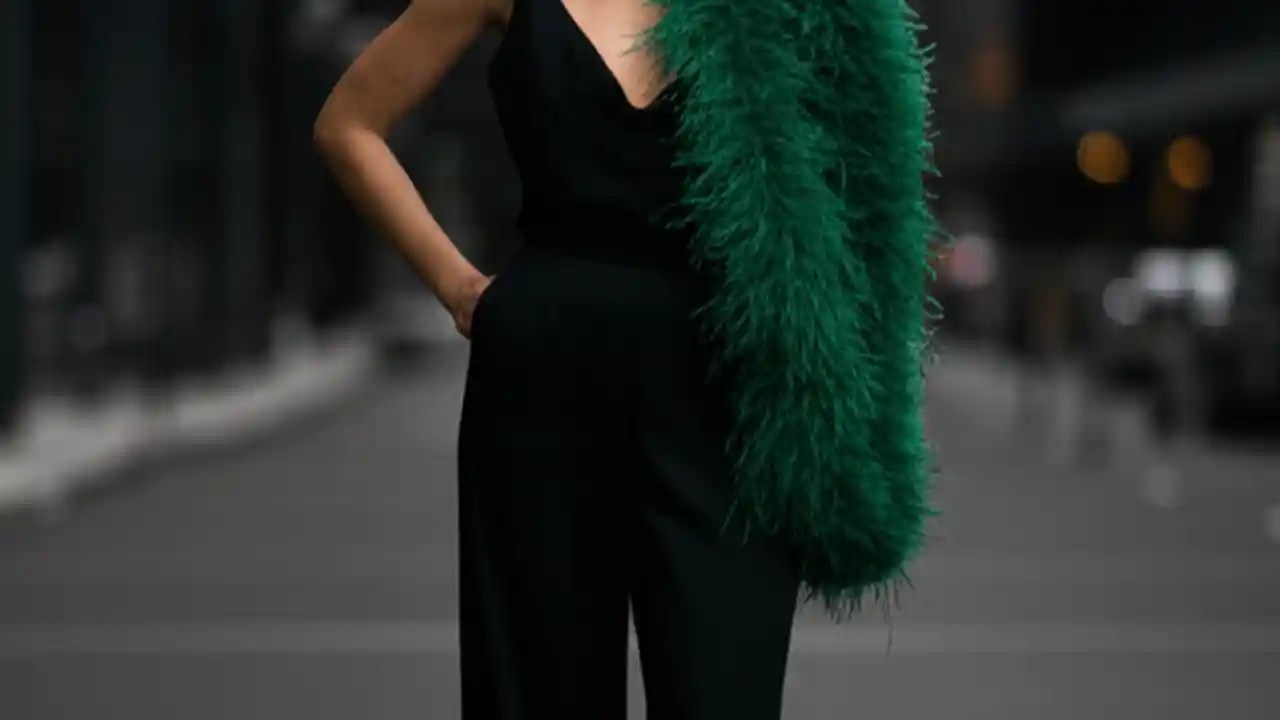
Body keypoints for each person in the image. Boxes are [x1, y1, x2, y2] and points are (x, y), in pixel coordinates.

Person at [315, 1, 939, 718]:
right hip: (541, 384)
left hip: (732, 396)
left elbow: (867, 193)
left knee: (725, 696)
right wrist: (458, 288)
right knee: (536, 695)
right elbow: (348, 124)